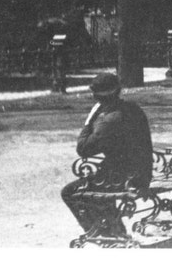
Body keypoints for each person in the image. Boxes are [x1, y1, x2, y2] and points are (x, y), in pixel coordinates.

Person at [61, 72, 153, 241]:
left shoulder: (110, 120)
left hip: (123, 179)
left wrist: (89, 120)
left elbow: (83, 149)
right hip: (141, 173)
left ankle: (99, 234)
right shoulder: (133, 109)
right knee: (102, 177)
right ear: (118, 91)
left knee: (70, 192)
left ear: (96, 96)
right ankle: (114, 229)